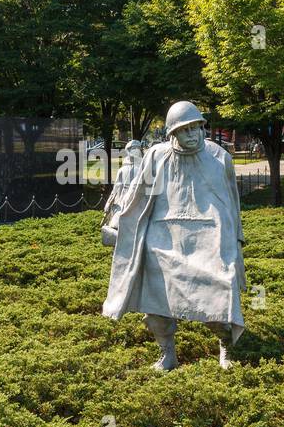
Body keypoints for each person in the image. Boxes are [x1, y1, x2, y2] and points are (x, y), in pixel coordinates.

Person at [103, 101, 245, 370]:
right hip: (164, 239)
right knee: (155, 302)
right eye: (185, 130)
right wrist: (119, 224)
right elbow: (137, 196)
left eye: (196, 128)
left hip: (210, 240)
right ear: (172, 134)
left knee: (218, 297)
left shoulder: (219, 157)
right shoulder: (157, 156)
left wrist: (236, 238)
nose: (192, 134)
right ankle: (167, 351)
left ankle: (225, 345)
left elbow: (231, 203)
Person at [101, 139, 144, 246]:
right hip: (124, 200)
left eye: (137, 149)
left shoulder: (143, 168)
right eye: (134, 149)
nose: (136, 151)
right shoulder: (126, 169)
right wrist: (108, 205)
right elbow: (116, 190)